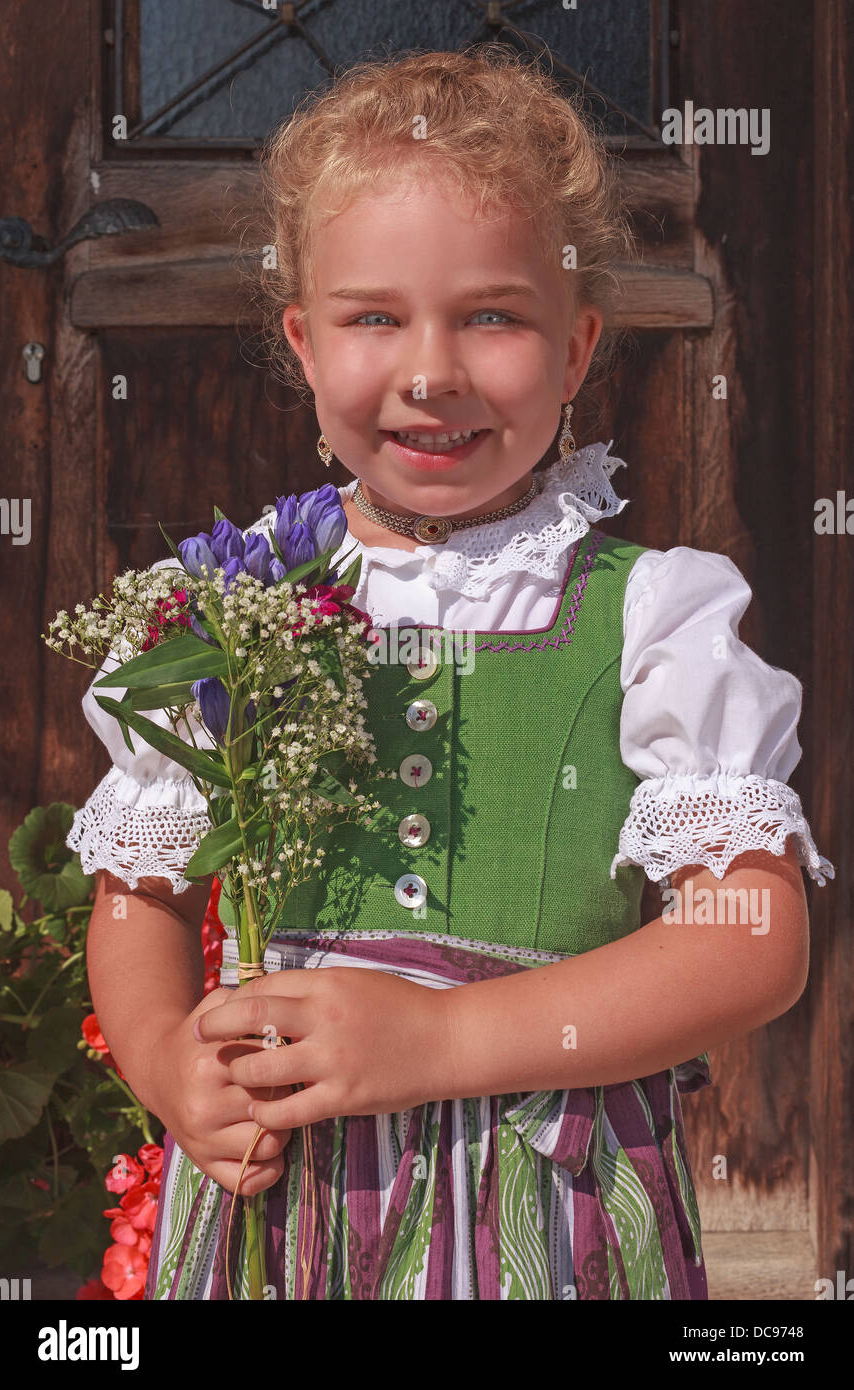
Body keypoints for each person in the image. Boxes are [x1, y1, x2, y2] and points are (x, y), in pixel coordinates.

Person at [66, 47, 834, 1300]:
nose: (429, 370)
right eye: (374, 317)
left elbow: (750, 938)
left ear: (577, 348)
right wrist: (167, 1064)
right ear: (303, 345)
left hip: (550, 1207)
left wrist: (442, 1035)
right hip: (287, 1213)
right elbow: (137, 889)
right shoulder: (222, 603)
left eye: (491, 314)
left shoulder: (647, 611)